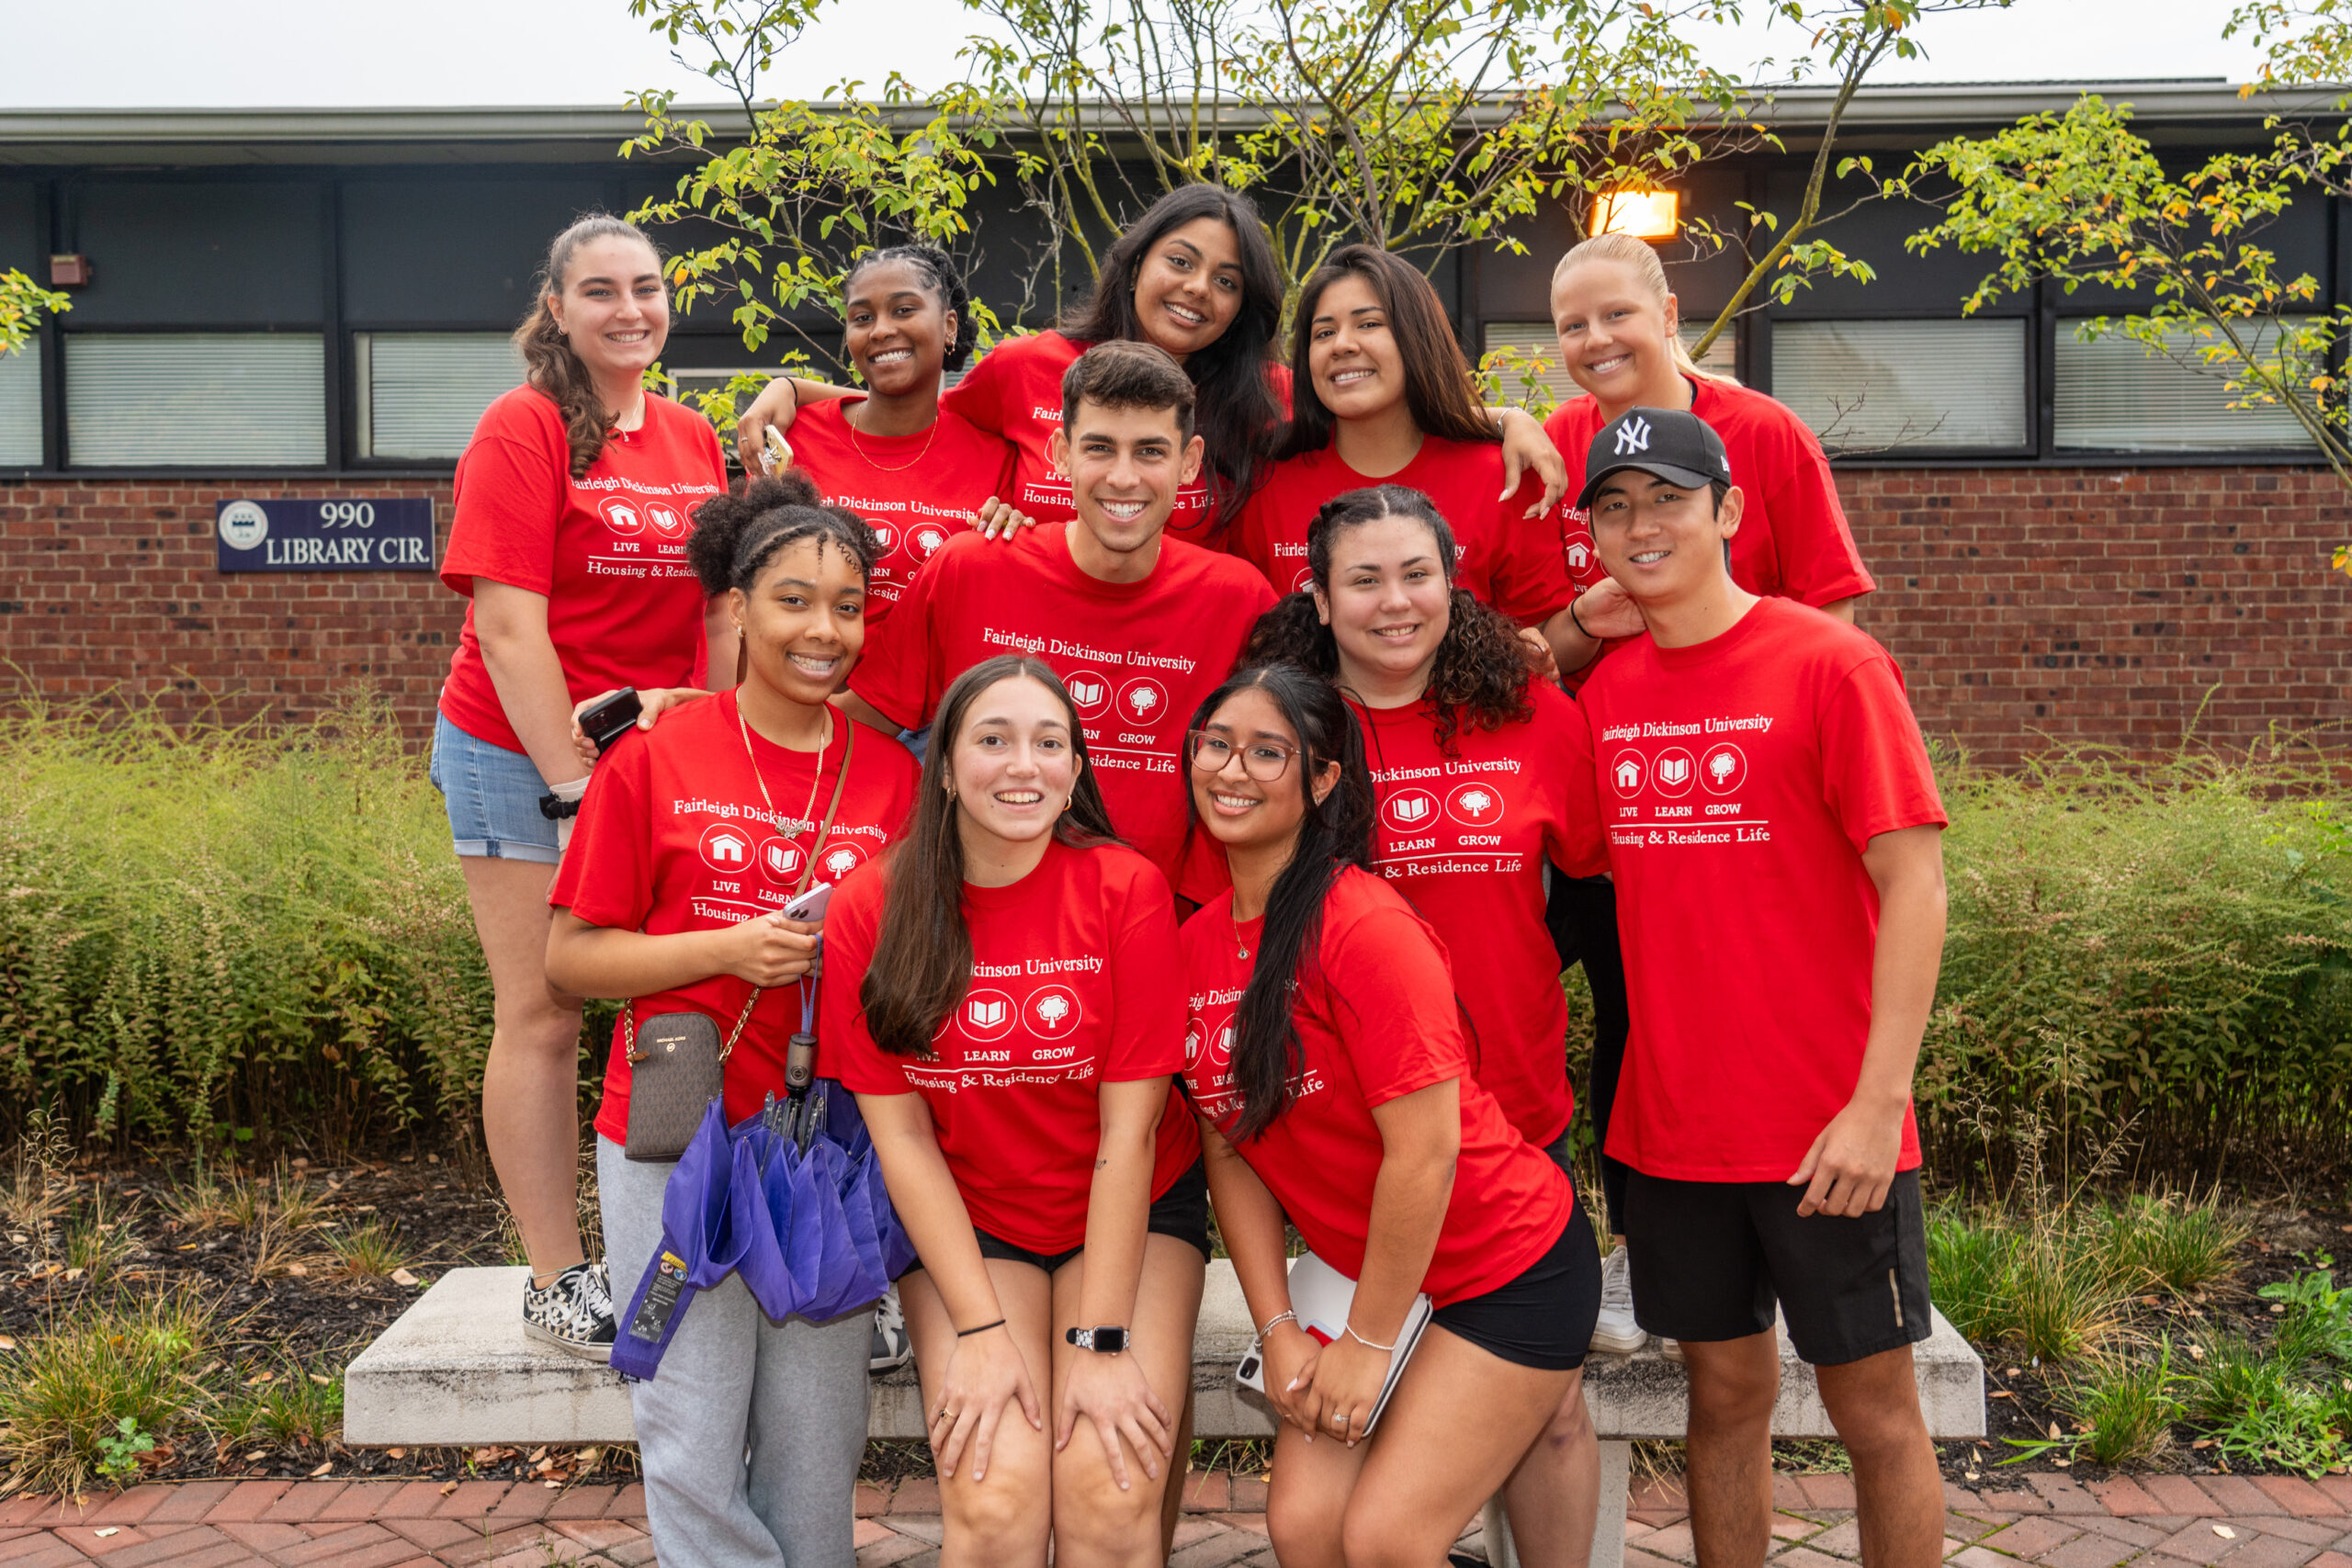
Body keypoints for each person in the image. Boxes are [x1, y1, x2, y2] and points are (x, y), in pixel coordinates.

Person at [1564, 406, 1949, 1568]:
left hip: (1828, 1130)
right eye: (1614, 507)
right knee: (1722, 1397)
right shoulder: (1608, 694)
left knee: (1873, 1414)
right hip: (1672, 1130)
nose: (1641, 525)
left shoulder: (1830, 663)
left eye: (1667, 499)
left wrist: (1877, 1105)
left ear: (1727, 509)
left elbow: (1916, 886)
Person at [544, 472, 920, 1565]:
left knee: (816, 1444)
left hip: (828, 1147)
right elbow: (570, 958)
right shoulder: (655, 756)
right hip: (679, 1135)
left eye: (848, 606)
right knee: (693, 1432)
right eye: (794, 600)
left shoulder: (892, 777)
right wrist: (727, 949)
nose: (823, 630)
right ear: (738, 607)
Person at [1243, 487, 1604, 1563]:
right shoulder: (1284, 736)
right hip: (1362, 1147)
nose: (1394, 602)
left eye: (1417, 574)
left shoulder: (1534, 716)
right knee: (1361, 1477)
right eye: (1363, 579)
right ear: (1318, 598)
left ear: (1454, 584)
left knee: (1551, 1412)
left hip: (1515, 1116)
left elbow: (1592, 895)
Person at [1540, 231, 1882, 1355]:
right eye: (1571, 325)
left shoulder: (1763, 435)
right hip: (1615, 788)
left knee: (1702, 1017)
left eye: (1615, 315)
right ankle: (1589, 1249)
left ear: (1670, 315)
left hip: (1745, 794)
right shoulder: (1556, 447)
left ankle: (1682, 1250)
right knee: (1602, 1024)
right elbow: (1532, 641)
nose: (1595, 340)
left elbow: (1829, 615)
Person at [824, 656, 1208, 1568]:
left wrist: (1102, 1342)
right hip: (970, 1215)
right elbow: (901, 1138)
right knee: (994, 1500)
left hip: (1128, 1206)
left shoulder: (1125, 888)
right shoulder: (873, 905)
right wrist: (981, 1332)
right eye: (993, 740)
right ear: (946, 767)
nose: (1022, 765)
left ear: (1075, 770)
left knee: (1110, 1489)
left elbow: (1129, 1135)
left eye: (1048, 743)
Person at [431, 212, 729, 1357]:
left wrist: (718, 738)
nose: (629, 310)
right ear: (556, 308)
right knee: (546, 1010)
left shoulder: (692, 436)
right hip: (518, 751)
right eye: (599, 291)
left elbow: (717, 613)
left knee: (685, 996)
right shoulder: (524, 426)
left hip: (650, 757)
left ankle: (694, 1249)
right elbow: (509, 627)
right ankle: (559, 1278)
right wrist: (570, 784)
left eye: (645, 288)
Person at [735, 186, 1572, 541]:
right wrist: (793, 388)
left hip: (1170, 676)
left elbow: (1377, 408)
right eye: (1181, 261)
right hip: (1023, 666)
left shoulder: (1264, 397)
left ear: (1243, 308)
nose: (1198, 289)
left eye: (1227, 281)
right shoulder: (1029, 367)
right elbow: (914, 415)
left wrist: (1504, 418)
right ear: (1137, 261)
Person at [838, 340, 1277, 902]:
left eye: (1150, 451)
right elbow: (858, 726)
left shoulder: (1239, 599)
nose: (1123, 477)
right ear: (1061, 453)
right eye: (1099, 448)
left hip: (1155, 923)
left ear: (1189, 462)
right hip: (970, 915)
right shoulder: (971, 569)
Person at [1232, 245, 1585, 676]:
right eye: (1323, 333)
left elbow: (1545, 638)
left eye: (1368, 324)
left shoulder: (1501, 477)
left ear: (1417, 337)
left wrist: (1571, 631)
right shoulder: (1266, 479)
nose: (1342, 345)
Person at [780, 245, 1015, 628]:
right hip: (809, 666)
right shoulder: (795, 438)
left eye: (903, 310)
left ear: (949, 326)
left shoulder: (995, 459)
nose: (881, 330)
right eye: (862, 317)